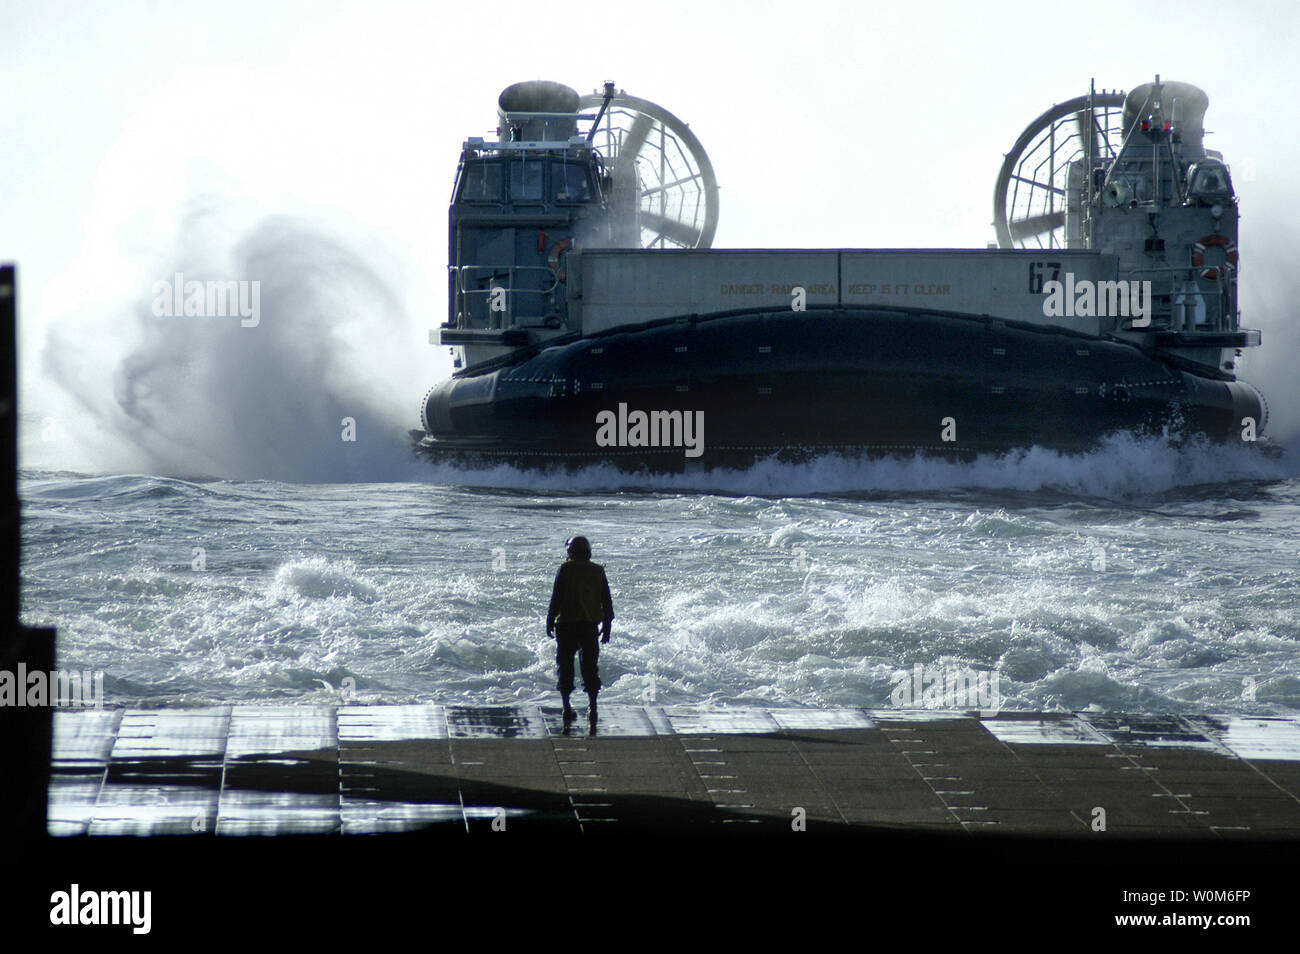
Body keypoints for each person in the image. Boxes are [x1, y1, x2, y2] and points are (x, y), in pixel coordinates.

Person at [546, 535, 614, 728]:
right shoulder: (598, 571)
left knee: (565, 666)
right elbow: (607, 602)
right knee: (590, 667)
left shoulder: (565, 569)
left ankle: (566, 708)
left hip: (566, 625)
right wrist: (607, 627)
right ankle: (593, 707)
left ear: (570, 552)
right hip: (589, 626)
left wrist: (549, 620)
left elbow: (556, 597)